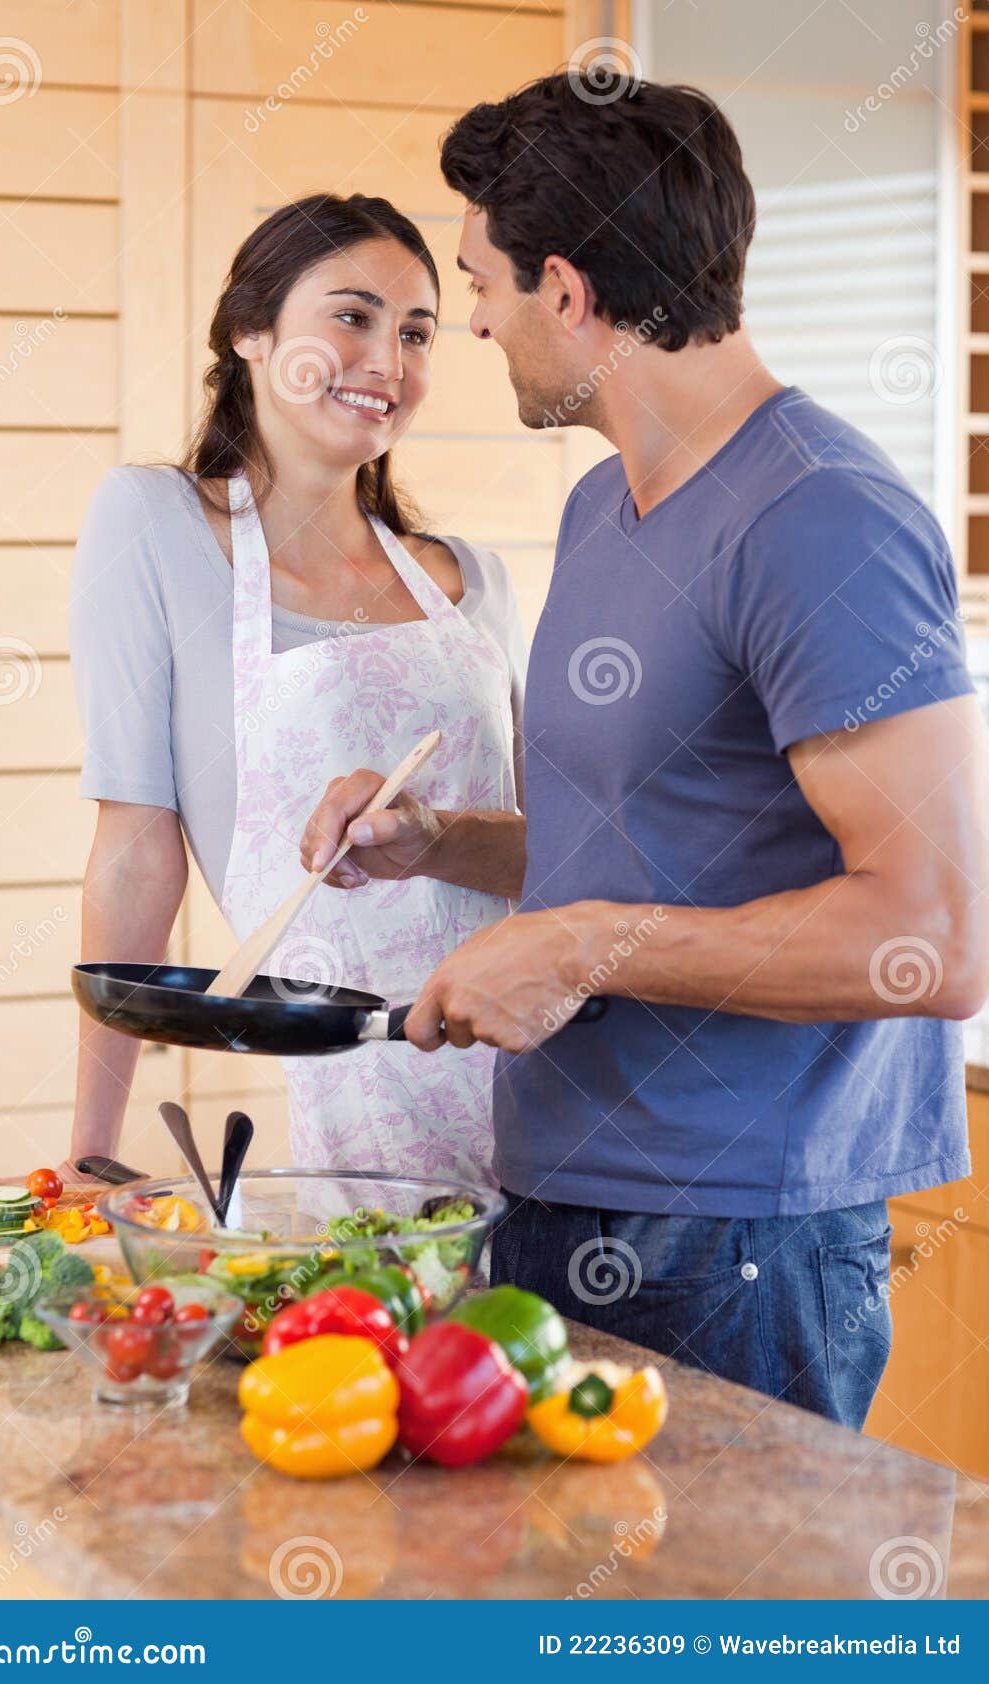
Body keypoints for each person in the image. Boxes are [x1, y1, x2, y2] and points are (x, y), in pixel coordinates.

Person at [297, 80, 989, 1427]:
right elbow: (644, 829)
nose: (476, 319)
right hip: (559, 1192)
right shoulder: (607, 507)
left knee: (708, 1642)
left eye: (481, 281)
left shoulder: (820, 520)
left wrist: (573, 945)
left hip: (735, 1241)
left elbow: (937, 934)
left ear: (565, 290)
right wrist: (437, 839)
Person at [0, 192, 526, 1204]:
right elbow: (134, 845)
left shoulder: (473, 579)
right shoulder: (153, 524)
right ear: (250, 331)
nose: (389, 360)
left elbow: (550, 843)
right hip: (357, 1116)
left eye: (416, 332)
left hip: (546, 1085)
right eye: (352, 316)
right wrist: (90, 1150)